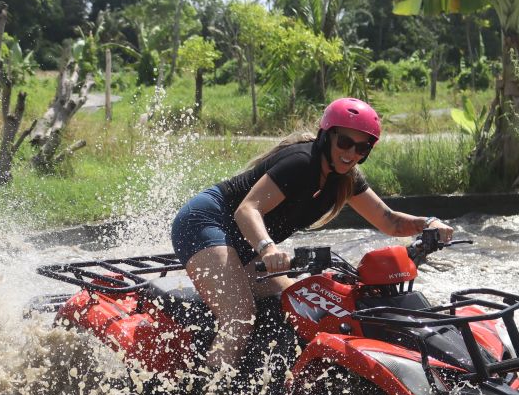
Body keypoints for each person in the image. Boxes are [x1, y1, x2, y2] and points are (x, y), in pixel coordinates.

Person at [171, 97, 454, 370]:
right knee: (240, 315)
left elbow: (389, 221)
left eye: (362, 148)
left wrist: (428, 222)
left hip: (245, 241)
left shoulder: (346, 178)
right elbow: (247, 210)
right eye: (344, 142)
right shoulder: (300, 163)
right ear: (326, 136)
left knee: (296, 301)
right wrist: (268, 248)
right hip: (206, 222)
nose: (351, 153)